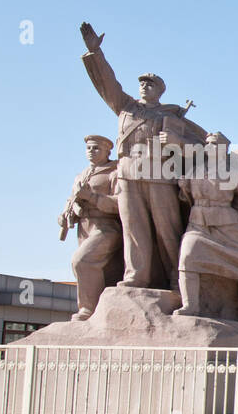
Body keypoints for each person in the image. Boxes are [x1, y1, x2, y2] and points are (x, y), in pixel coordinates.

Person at [79, 21, 206, 290]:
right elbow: (106, 83)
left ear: (161, 91)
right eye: (142, 84)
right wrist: (95, 53)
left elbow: (204, 149)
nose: (145, 87)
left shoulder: (170, 116)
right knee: (133, 228)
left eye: (151, 84)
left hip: (160, 176)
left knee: (167, 230)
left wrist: (177, 142)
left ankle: (177, 277)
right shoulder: (125, 107)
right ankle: (136, 276)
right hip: (127, 175)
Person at [172, 133, 238, 326]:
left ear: (223, 149)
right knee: (187, 257)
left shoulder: (232, 173)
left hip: (227, 225)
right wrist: (183, 187)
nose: (209, 148)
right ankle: (190, 306)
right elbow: (186, 199)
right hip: (198, 223)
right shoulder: (195, 170)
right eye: (207, 144)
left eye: (214, 145)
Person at [59, 135, 123, 320]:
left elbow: (121, 204)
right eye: (88, 148)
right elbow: (72, 200)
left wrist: (91, 197)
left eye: (96, 148)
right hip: (84, 227)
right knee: (92, 269)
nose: (91, 152)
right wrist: (65, 214)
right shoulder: (82, 175)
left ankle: (87, 310)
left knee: (82, 261)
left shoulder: (114, 172)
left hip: (106, 227)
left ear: (107, 152)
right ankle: (97, 311)